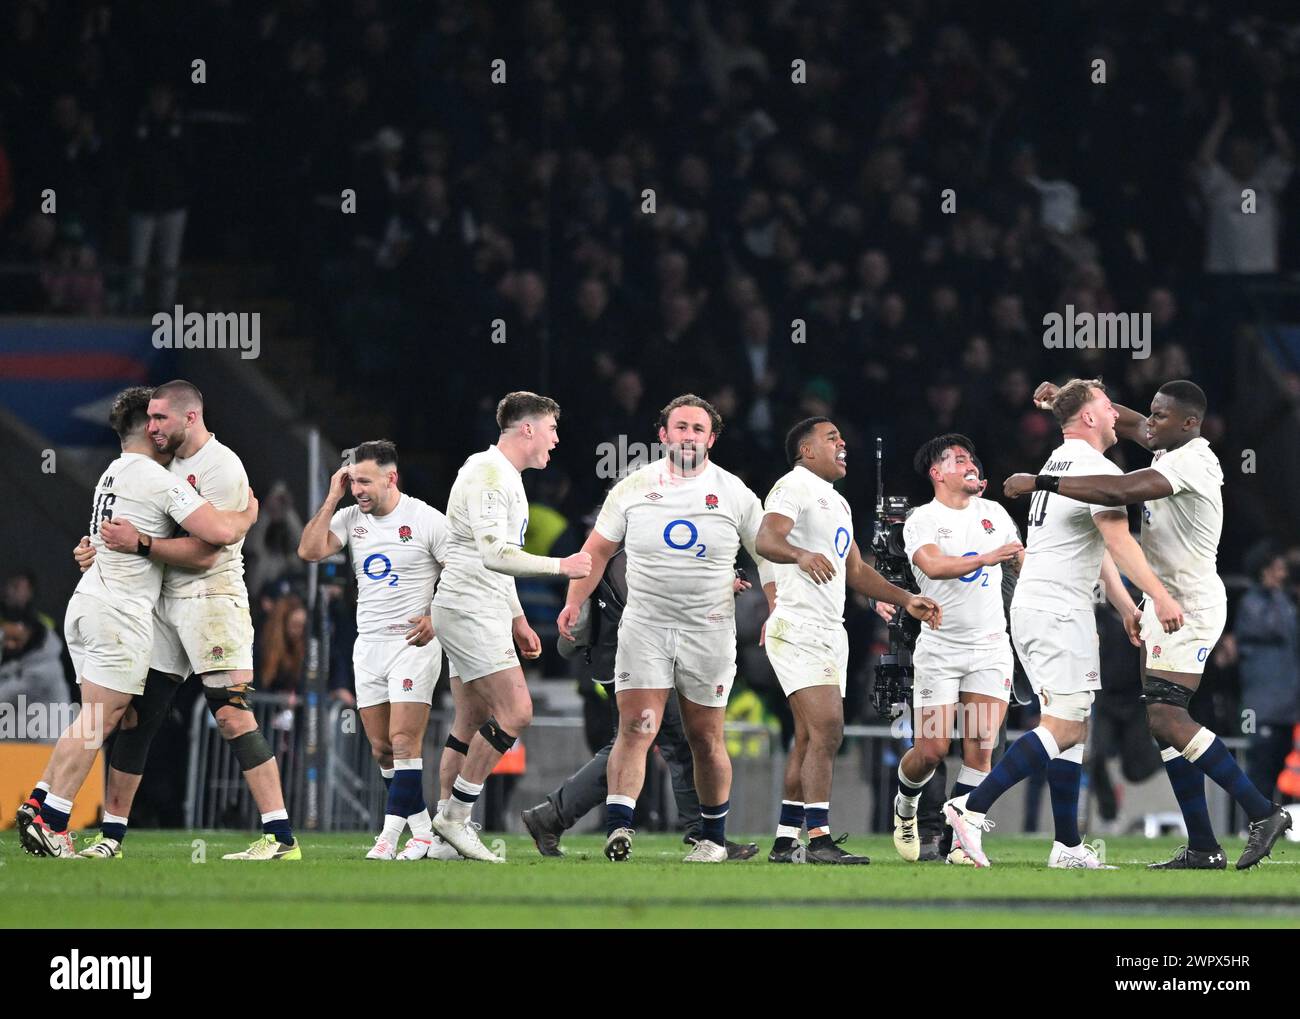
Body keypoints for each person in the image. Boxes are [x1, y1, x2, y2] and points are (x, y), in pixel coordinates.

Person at [1009, 380, 1293, 868]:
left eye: (1160, 417)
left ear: (1188, 424)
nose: (1147, 422)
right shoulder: (1169, 443)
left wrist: (1042, 481)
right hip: (1165, 601)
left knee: (1167, 715)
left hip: (1189, 604)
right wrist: (1071, 399)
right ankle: (1203, 846)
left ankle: (1262, 811)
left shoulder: (1191, 461)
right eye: (1151, 414)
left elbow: (1119, 489)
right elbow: (1124, 420)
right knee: (1162, 724)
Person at [946, 378, 1182, 868]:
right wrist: (1159, 597)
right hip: (1058, 610)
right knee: (1064, 725)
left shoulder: (1056, 464)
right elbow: (1119, 544)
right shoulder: (1098, 469)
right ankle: (970, 808)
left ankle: (1067, 845)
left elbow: (1094, 552)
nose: (1117, 414)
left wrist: (1125, 607)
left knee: (1074, 723)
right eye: (1106, 407)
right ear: (1090, 418)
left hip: (1041, 606)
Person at [20, 387, 257, 857]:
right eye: (154, 421)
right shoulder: (155, 477)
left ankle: (40, 800)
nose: (159, 429)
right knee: (99, 719)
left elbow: (95, 545)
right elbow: (220, 533)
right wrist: (250, 510)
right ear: (145, 428)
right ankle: (54, 819)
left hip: (85, 606)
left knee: (104, 716)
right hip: (117, 615)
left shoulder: (110, 473)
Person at [69, 380, 299, 861]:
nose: (151, 428)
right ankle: (111, 835)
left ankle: (280, 839)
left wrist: (143, 546)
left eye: (160, 419)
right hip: (164, 603)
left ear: (190, 417)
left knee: (231, 712)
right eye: (149, 419)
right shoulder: (163, 464)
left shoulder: (222, 466)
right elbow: (135, 524)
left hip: (212, 597)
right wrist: (99, 549)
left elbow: (204, 551)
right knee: (136, 716)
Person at [557, 394, 773, 864]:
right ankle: (620, 830)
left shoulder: (735, 492)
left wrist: (775, 609)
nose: (688, 435)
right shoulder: (632, 486)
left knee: (705, 737)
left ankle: (712, 840)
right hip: (645, 625)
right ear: (663, 434)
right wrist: (574, 603)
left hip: (709, 629)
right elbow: (594, 552)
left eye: (698, 428)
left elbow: (766, 556)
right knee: (636, 727)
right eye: (680, 427)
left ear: (711, 439)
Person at [757, 417, 940, 864]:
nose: (842, 443)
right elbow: (766, 538)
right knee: (828, 730)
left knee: (808, 738)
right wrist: (800, 553)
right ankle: (818, 840)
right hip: (799, 626)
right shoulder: (792, 486)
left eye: (842, 436)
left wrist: (905, 598)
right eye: (831, 437)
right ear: (806, 451)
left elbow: (855, 571)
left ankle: (785, 841)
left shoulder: (836, 503)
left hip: (828, 630)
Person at [430, 392, 592, 862]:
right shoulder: (487, 474)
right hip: (467, 608)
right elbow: (492, 555)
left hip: (480, 606)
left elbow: (498, 563)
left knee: (468, 722)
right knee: (516, 711)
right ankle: (457, 817)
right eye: (552, 430)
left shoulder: (509, 478)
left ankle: (444, 839)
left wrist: (519, 618)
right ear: (527, 429)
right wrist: (563, 566)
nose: (556, 440)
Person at [520, 546, 758, 860]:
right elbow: (653, 597)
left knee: (637, 741)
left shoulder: (624, 539)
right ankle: (706, 835)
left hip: (619, 653)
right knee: (672, 740)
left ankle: (551, 816)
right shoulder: (633, 540)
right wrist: (714, 588)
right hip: (631, 654)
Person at [298, 439, 452, 860]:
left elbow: (462, 571)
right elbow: (309, 550)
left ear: (391, 478)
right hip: (368, 646)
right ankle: (422, 832)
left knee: (404, 741)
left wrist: (436, 618)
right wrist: (331, 497)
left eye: (365, 482)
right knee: (382, 748)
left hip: (413, 643)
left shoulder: (426, 520)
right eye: (352, 482)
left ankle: (387, 835)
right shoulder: (349, 518)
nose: (358, 490)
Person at [890, 434, 1021, 864]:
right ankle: (905, 803)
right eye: (959, 459)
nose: (970, 464)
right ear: (937, 472)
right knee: (931, 750)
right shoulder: (922, 519)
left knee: (980, 747)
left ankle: (963, 842)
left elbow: (1021, 562)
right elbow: (932, 565)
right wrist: (986, 558)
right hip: (941, 649)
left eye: (972, 459)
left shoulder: (995, 514)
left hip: (988, 647)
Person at [1236, 549, 1299, 804]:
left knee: (1281, 772)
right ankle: (1252, 827)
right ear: (1265, 570)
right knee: (1259, 769)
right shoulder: (1252, 604)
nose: (1283, 574)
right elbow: (1275, 628)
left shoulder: (1282, 601)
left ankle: (1277, 826)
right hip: (1259, 709)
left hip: (1287, 707)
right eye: (1279, 567)